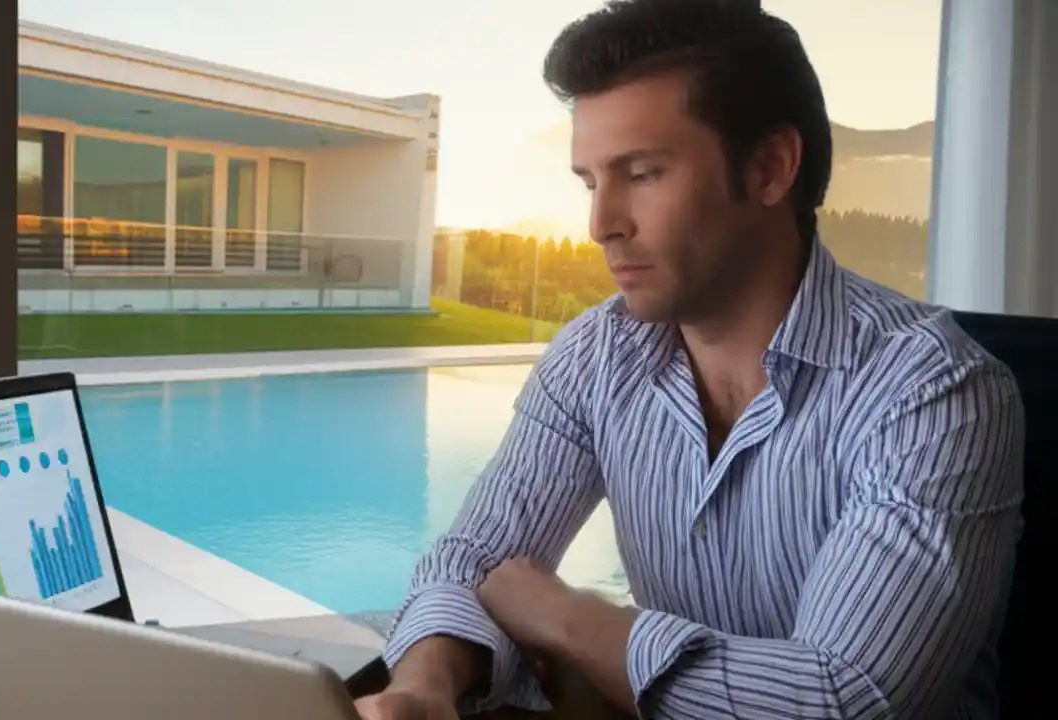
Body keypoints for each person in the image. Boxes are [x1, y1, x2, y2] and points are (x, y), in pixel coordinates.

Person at [354, 0, 1026, 718]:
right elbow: (472, 561)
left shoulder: (937, 392)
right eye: (590, 182)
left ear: (770, 169)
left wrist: (571, 619)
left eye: (641, 173)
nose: (601, 224)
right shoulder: (595, 356)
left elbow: (842, 700)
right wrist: (424, 684)